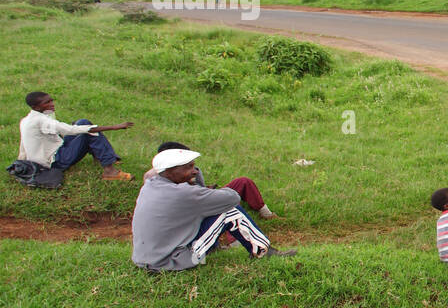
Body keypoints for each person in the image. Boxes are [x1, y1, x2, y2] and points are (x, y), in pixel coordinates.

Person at [131, 147, 295, 272]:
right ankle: (263, 252)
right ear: (170, 171)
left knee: (207, 213)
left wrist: (189, 179)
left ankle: (227, 246)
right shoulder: (185, 193)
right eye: (189, 167)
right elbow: (232, 198)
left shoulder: (150, 186)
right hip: (170, 262)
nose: (194, 171)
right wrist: (195, 184)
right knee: (231, 211)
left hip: (143, 259)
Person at [17, 91, 134, 182]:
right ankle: (110, 172)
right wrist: (115, 127)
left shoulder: (27, 119)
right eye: (47, 103)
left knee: (83, 122)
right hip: (54, 162)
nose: (52, 104)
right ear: (36, 107)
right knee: (88, 133)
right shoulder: (40, 120)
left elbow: (24, 144)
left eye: (51, 100)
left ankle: (100, 156)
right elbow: (71, 130)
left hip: (56, 150)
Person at [142, 141, 276, 219]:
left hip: (200, 199)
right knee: (228, 208)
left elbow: (200, 190)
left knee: (243, 182)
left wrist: (206, 190)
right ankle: (233, 241)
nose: (193, 170)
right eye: (187, 164)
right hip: (189, 210)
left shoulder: (193, 171)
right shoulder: (152, 178)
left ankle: (266, 213)